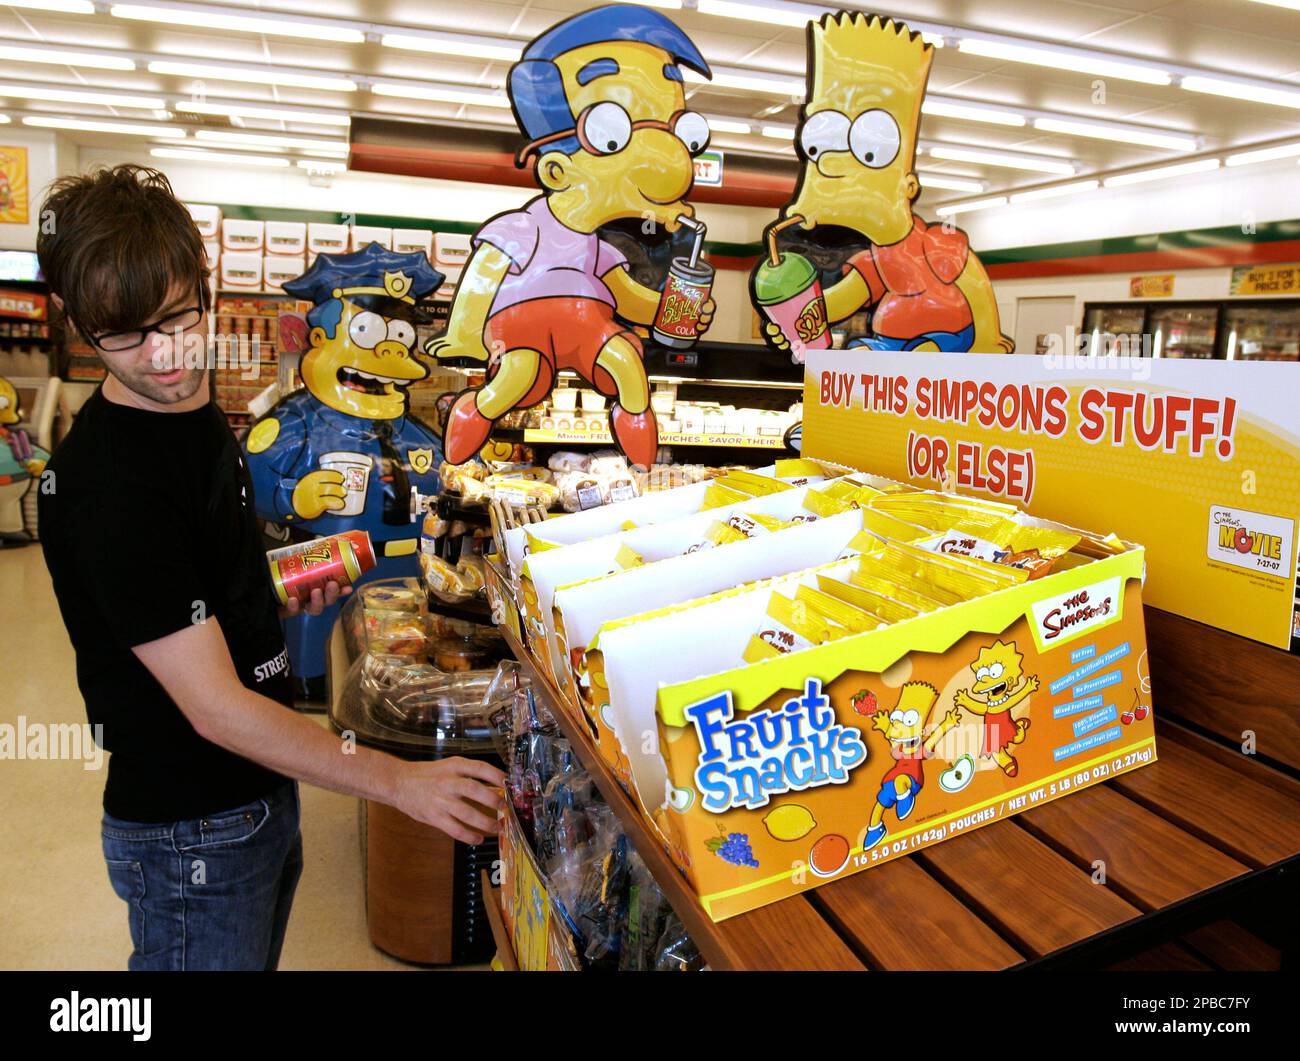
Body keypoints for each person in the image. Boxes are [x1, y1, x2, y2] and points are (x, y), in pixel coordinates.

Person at [36, 165, 504, 971]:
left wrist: (270, 593)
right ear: (76, 321)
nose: (164, 353)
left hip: (253, 796)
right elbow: (215, 710)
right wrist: (398, 782)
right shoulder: (110, 486)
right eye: (125, 333)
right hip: (193, 830)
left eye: (179, 317)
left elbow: (199, 588)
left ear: (201, 285)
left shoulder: (191, 410)